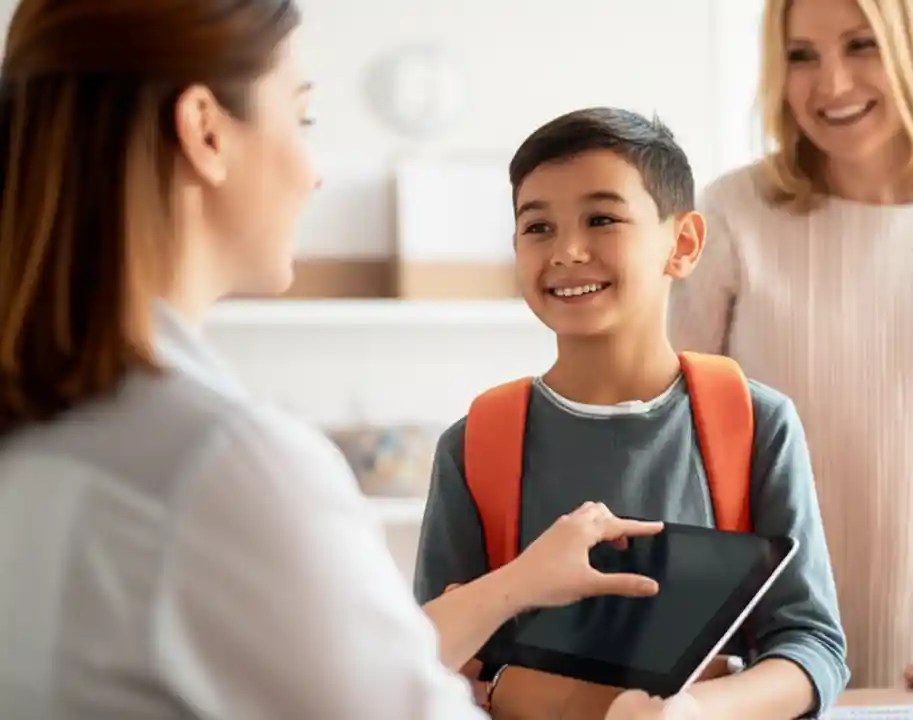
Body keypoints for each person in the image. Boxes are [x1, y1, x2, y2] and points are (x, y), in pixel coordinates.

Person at [0, 2, 678, 718]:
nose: (313, 173)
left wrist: (513, 587)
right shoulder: (225, 465)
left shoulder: (45, 430)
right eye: (303, 119)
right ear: (204, 130)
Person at [669, 0, 913, 692]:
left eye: (861, 45)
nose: (834, 84)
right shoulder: (733, 212)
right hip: (752, 657)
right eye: (802, 56)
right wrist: (692, 637)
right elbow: (676, 439)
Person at [415, 107, 849, 719]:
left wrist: (694, 711)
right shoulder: (477, 443)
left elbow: (812, 647)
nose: (567, 250)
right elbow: (434, 662)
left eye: (602, 219)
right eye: (537, 227)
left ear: (684, 243)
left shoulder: (755, 423)